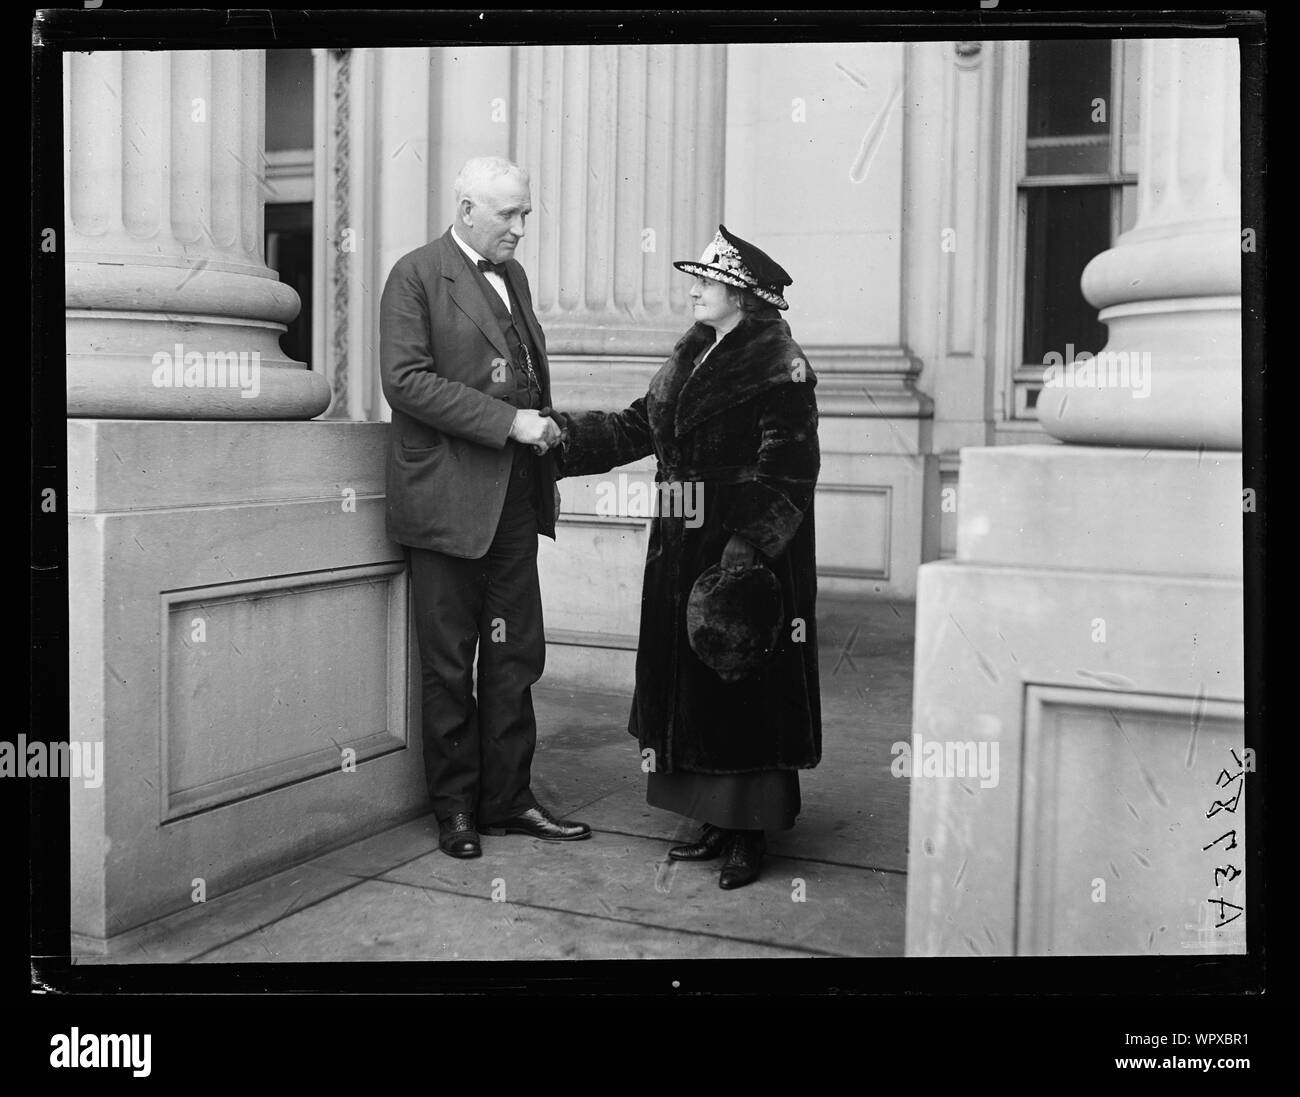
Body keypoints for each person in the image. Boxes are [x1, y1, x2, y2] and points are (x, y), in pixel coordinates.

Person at [548, 225, 821, 889]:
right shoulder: (691, 353)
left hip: (739, 549)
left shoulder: (779, 362)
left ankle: (748, 832)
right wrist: (558, 438)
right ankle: (709, 815)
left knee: (742, 684)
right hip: (680, 542)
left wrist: (746, 545)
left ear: (741, 293)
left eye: (706, 279)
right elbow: (638, 425)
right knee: (694, 688)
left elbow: (790, 465)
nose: (693, 287)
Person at [379, 155, 591, 859]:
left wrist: (543, 426)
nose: (522, 228)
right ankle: (456, 811)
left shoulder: (515, 276)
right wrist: (511, 423)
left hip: (513, 504)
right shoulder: (414, 275)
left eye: (525, 213)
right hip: (445, 506)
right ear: (468, 209)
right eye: (510, 214)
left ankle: (508, 801)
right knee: (449, 665)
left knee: (513, 658)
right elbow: (406, 381)